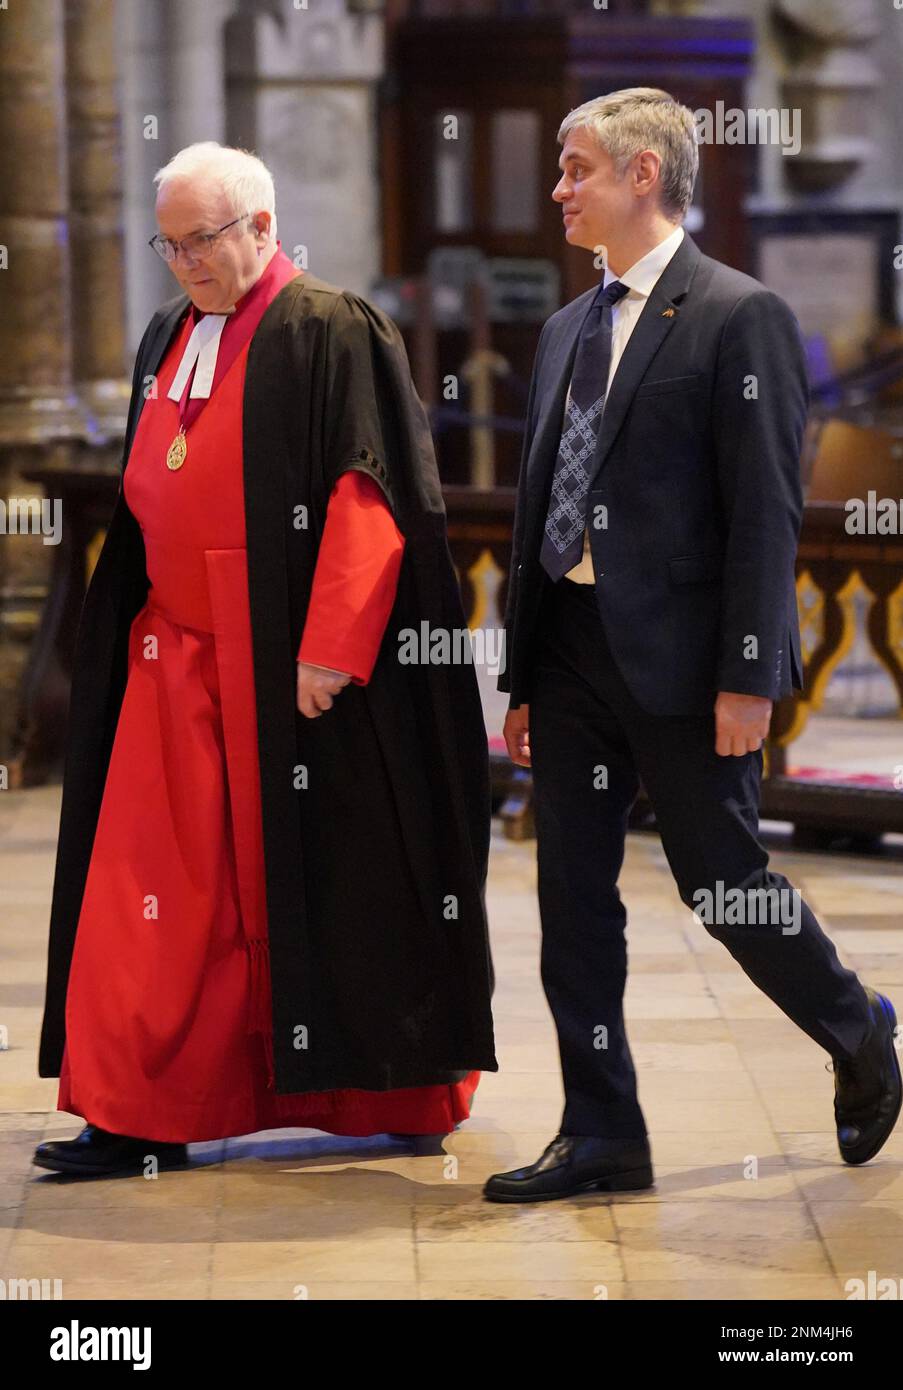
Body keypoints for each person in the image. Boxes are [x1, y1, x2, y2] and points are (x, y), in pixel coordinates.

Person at [35, 142, 496, 1179]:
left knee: (334, 887)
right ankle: (138, 1108)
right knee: (146, 892)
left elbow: (365, 497)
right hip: (172, 659)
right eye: (171, 241)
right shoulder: (166, 331)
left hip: (288, 669)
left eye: (203, 239)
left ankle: (391, 1084)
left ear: (261, 227)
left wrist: (329, 649)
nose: (186, 261)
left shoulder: (333, 328)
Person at [484, 89, 900, 1203]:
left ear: (642, 178)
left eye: (576, 169)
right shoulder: (568, 325)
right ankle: (602, 1130)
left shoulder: (736, 314)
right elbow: (539, 510)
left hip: (680, 660)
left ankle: (859, 1028)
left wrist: (750, 674)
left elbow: (766, 510)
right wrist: (523, 677)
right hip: (571, 648)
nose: (559, 188)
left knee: (727, 886)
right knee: (572, 896)